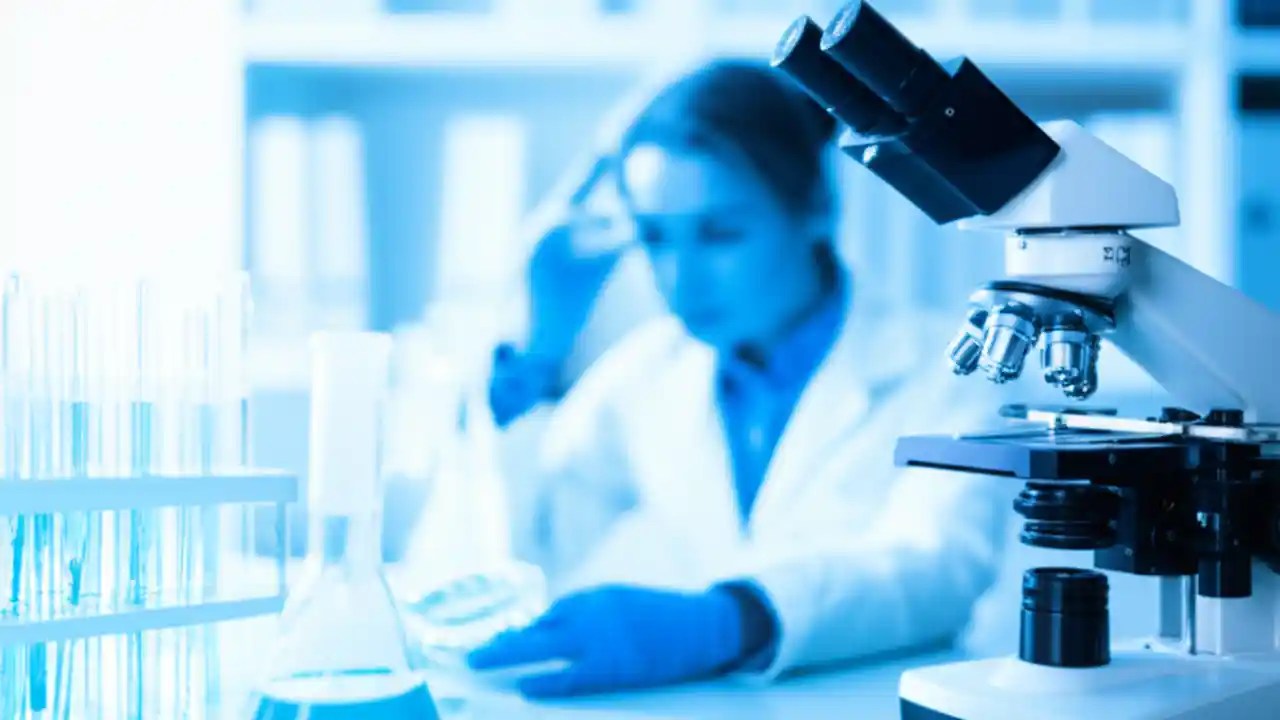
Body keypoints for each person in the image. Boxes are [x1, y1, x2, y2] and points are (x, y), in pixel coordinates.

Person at [464, 59, 1010, 699]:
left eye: (720, 234)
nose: (681, 279)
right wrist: (541, 345)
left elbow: (941, 567)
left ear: (816, 207)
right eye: (656, 238)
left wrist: (728, 621)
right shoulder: (645, 372)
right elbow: (526, 555)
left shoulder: (947, 366)